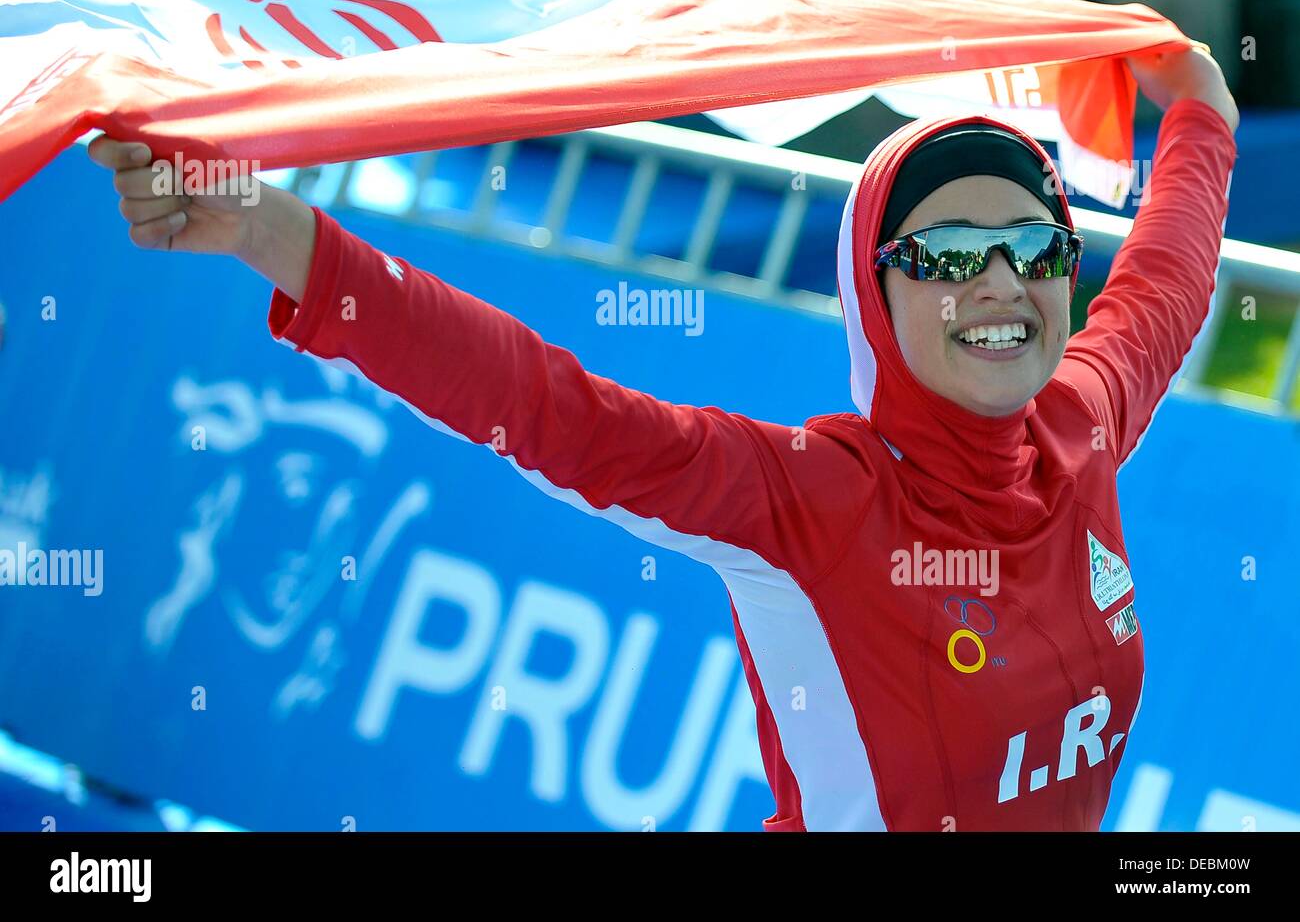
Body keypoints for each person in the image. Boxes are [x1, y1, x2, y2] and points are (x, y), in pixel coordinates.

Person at [89, 47, 1238, 831]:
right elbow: (545, 404)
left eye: (1032, 247)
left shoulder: (1080, 421)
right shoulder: (808, 502)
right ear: (872, 301)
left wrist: (1197, 103)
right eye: (941, 257)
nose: (998, 282)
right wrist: (272, 231)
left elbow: (1172, 268)